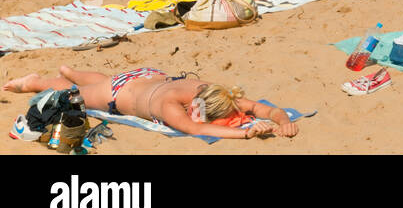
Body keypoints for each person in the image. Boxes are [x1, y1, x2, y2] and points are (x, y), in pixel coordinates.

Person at [4, 68, 299, 140]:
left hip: (148, 77)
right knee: (75, 94)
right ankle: (36, 81)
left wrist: (282, 121)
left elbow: (265, 109)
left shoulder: (217, 95)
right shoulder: (170, 105)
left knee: (94, 83)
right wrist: (246, 132)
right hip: (120, 93)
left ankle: (73, 71)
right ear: (197, 107)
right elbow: (194, 130)